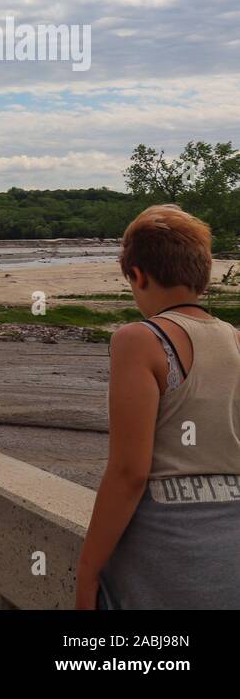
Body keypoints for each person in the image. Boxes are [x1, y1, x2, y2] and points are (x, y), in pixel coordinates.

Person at [77, 204, 240, 609]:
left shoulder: (140, 340)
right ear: (202, 275)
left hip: (166, 551)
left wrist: (87, 571)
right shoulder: (236, 340)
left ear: (138, 275)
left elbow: (130, 472)